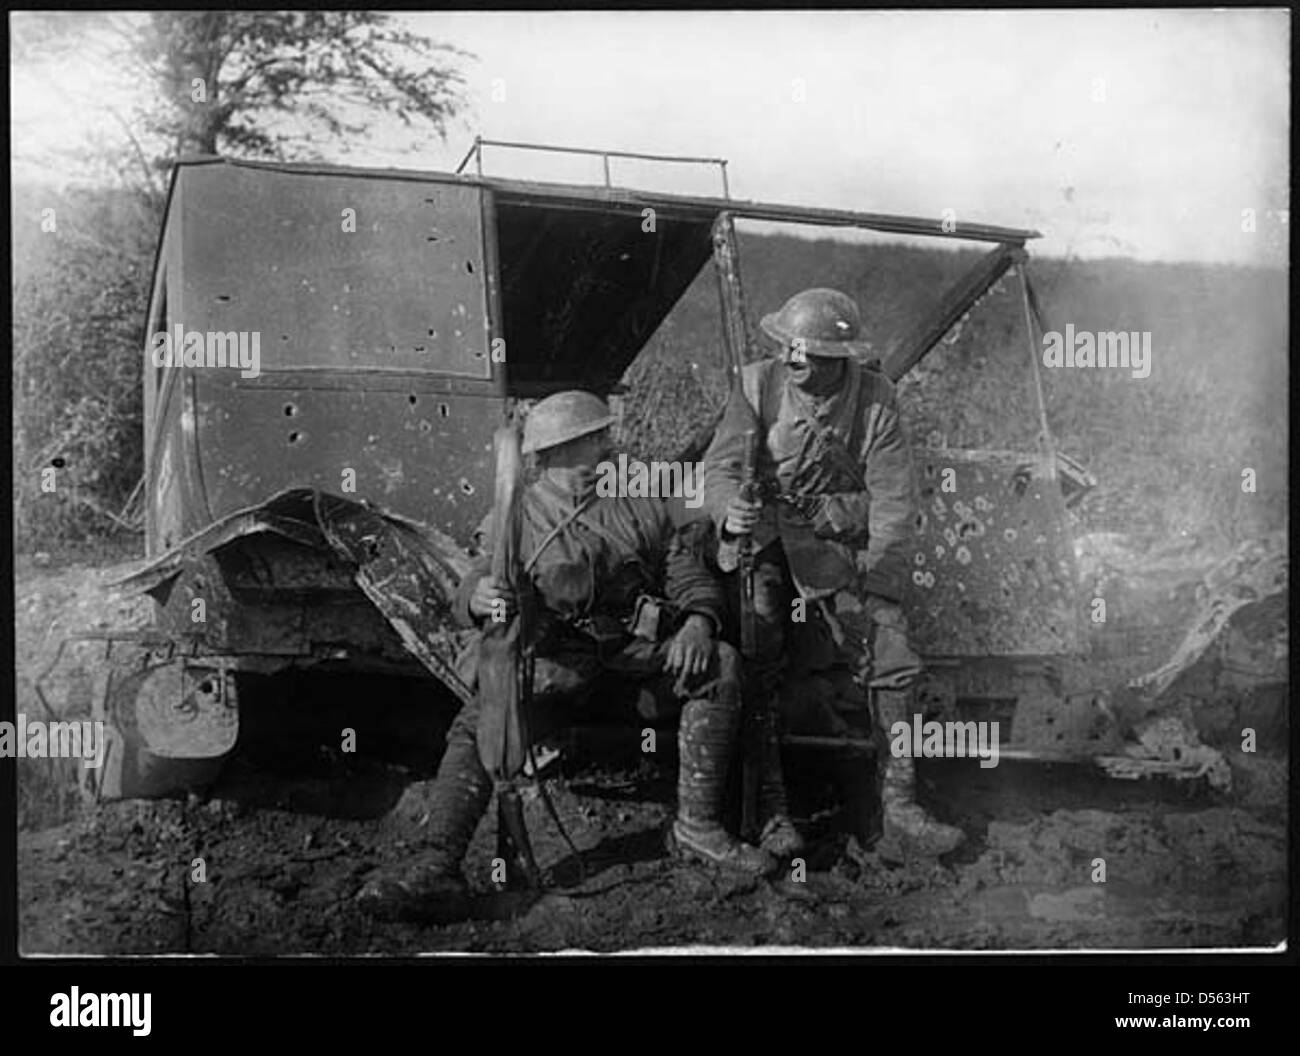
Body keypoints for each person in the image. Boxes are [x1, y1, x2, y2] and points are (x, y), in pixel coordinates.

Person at [357, 390, 784, 923]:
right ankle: (436, 859)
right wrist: (480, 596)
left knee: (719, 663)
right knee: (485, 718)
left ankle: (696, 828)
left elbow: (682, 568)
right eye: (591, 441)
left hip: (635, 669)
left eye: (602, 438)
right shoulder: (515, 516)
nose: (606, 448)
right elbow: (474, 579)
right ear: (554, 454)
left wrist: (699, 620)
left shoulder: (636, 499)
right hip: (554, 672)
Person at [702, 288, 965, 860]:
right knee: (759, 644)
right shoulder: (755, 386)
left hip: (838, 546)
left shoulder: (875, 401)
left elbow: (895, 502)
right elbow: (719, 469)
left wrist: (880, 586)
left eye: (809, 354)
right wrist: (730, 510)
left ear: (839, 358)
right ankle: (772, 811)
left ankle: (899, 809)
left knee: (890, 651)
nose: (793, 362)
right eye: (789, 350)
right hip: (768, 540)